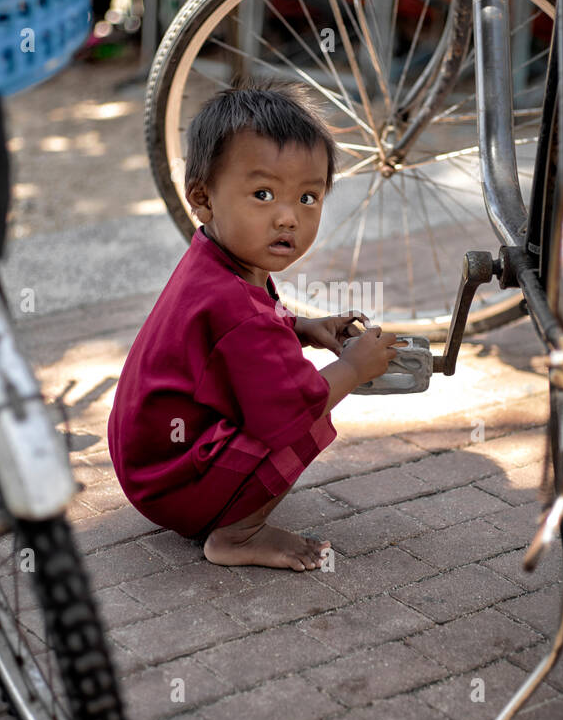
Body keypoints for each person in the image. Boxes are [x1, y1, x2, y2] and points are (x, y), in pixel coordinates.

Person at [108, 81, 398, 571]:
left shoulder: (217, 261)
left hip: (151, 463)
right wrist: (354, 367)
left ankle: (224, 502)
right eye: (263, 194)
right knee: (304, 415)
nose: (288, 218)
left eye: (308, 198)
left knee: (284, 393)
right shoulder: (235, 303)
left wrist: (305, 327)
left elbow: (245, 335)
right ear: (203, 200)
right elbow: (293, 404)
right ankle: (237, 536)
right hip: (169, 483)